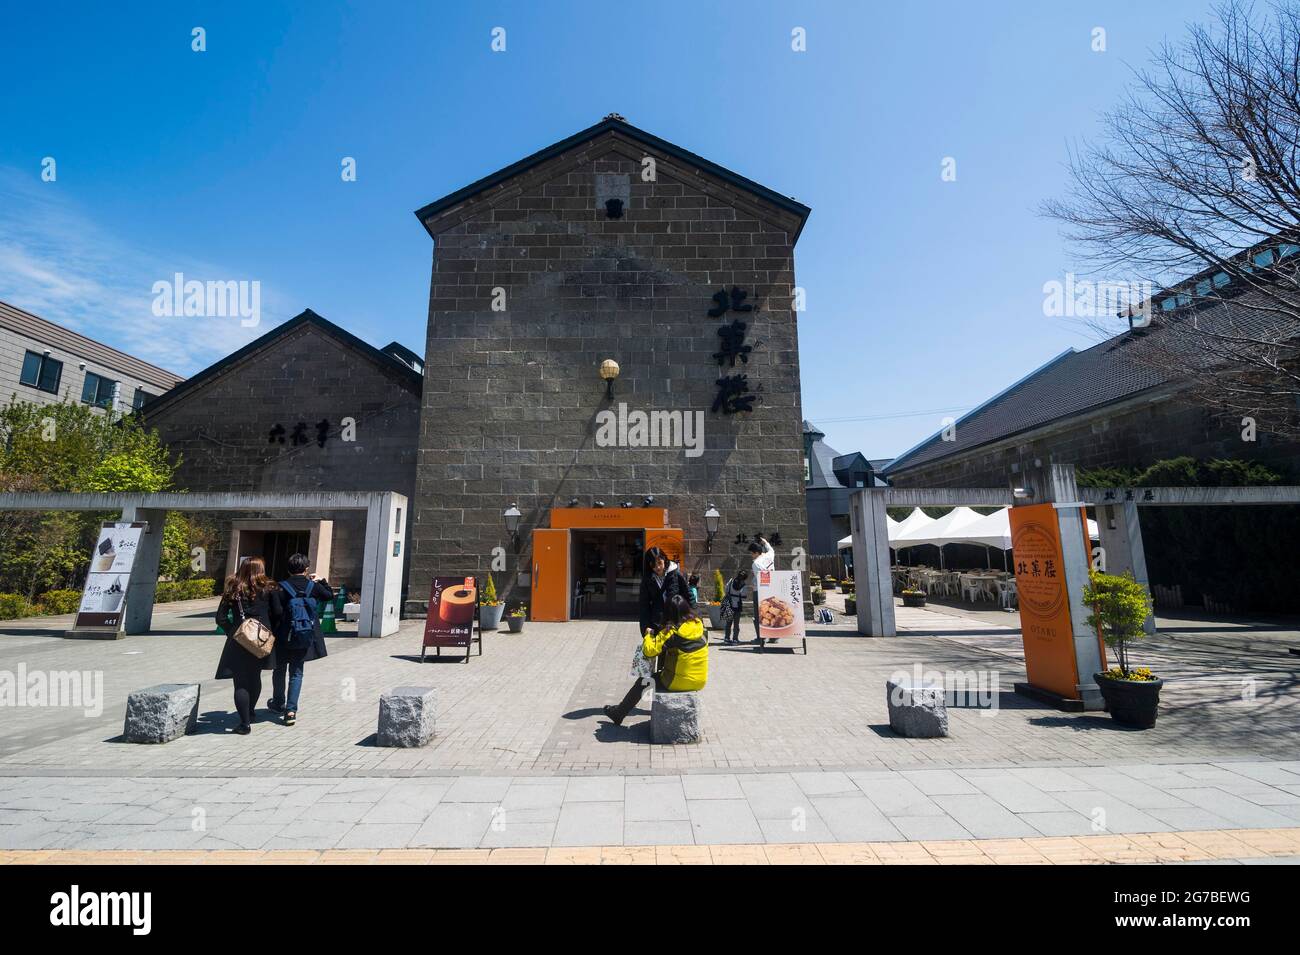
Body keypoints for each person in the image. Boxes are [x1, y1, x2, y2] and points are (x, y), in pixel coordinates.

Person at [604, 595, 708, 726]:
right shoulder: (698, 624)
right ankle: (619, 712)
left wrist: (648, 634)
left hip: (679, 682)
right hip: (700, 681)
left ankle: (619, 713)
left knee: (644, 681)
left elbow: (649, 650)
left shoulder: (672, 632)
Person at [214, 557, 283, 734]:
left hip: (239, 641)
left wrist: (235, 631)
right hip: (262, 640)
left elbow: (220, 618)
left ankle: (244, 723)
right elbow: (278, 613)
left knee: (240, 682)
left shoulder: (233, 587)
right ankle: (251, 711)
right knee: (255, 676)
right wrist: (269, 633)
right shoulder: (270, 587)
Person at [268, 553, 332, 727]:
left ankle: (278, 702)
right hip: (304, 635)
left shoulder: (279, 588)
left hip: (283, 635)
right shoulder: (313, 586)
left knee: (279, 670)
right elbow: (329, 596)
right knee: (296, 673)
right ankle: (291, 710)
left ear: (288, 569)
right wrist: (322, 580)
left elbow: (275, 612)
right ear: (306, 569)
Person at [638, 546, 691, 637]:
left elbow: (689, 596)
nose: (658, 567)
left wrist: (694, 619)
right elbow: (644, 605)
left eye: (659, 563)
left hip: (677, 623)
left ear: (664, 559)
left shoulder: (676, 574)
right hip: (656, 625)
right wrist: (645, 627)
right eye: (653, 565)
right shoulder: (647, 580)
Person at [746, 536, 776, 643]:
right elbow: (771, 549)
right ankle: (774, 637)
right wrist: (765, 542)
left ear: (756, 553)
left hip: (759, 591)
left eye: (752, 553)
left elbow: (762, 577)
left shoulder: (756, 563)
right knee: (771, 612)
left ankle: (760, 638)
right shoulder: (769, 555)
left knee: (759, 614)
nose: (751, 556)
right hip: (772, 589)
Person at [722, 569, 748, 644]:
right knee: (736, 624)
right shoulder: (743, 585)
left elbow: (726, 590)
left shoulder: (730, 581)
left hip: (729, 604)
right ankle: (735, 639)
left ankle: (726, 638)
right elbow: (744, 595)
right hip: (738, 605)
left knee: (728, 623)